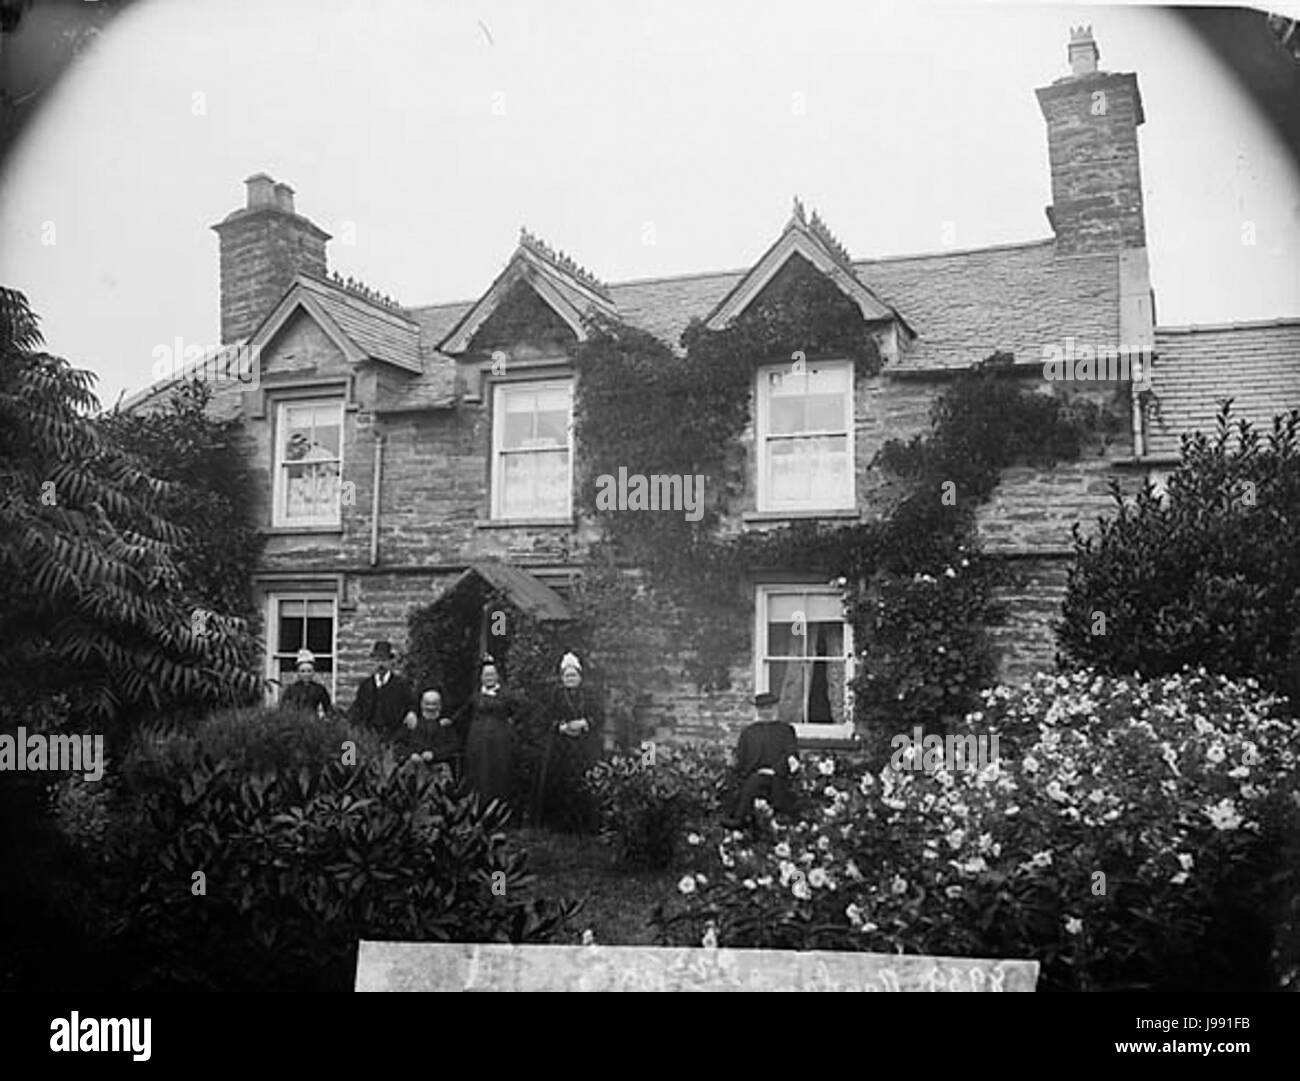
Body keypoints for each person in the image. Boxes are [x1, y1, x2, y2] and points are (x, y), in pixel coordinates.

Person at [530, 651, 604, 832]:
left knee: (586, 781)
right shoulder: (554, 696)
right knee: (560, 782)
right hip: (560, 747)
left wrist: (584, 722)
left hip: (584, 746)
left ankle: (585, 825)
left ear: (580, 677)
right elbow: (544, 719)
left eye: (574, 675)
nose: (570, 679)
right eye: (567, 675)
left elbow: (599, 716)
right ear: (562, 678)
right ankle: (560, 825)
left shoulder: (590, 695)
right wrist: (561, 727)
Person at [453, 656, 522, 817]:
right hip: (477, 741)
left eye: (492, 675)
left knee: (499, 772)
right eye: (486, 675)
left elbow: (521, 710)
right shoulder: (476, 696)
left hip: (499, 740)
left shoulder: (506, 695)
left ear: (497, 676)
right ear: (481, 678)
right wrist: (448, 721)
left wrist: (512, 724)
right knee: (478, 772)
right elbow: (463, 713)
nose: (489, 678)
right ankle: (477, 812)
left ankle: (499, 813)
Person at [726, 692, 799, 828]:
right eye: (762, 708)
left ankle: (739, 818)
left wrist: (775, 770)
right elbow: (742, 757)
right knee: (752, 780)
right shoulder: (749, 732)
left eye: (769, 707)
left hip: (777, 775)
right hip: (753, 774)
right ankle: (737, 818)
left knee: (764, 781)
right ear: (758, 710)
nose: (766, 711)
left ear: (775, 708)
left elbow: (791, 753)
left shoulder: (785, 730)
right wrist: (735, 768)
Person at [348, 640, 417, 735]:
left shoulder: (401, 685)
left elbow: (412, 704)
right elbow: (358, 708)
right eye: (377, 660)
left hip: (394, 736)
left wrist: (412, 713)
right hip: (370, 737)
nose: (380, 664)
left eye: (384, 660)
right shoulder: (365, 686)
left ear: (390, 662)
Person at [397, 688, 463, 783]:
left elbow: (455, 746)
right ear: (421, 704)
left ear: (440, 706)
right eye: (427, 704)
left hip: (437, 771)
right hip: (412, 769)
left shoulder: (446, 725)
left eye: (434, 704)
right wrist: (411, 754)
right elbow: (398, 744)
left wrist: (435, 754)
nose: (430, 707)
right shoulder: (412, 723)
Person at [279, 648, 332, 719]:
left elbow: (328, 709)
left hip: (313, 721)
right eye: (303, 671)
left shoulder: (319, 689)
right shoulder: (291, 689)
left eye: (309, 671)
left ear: (313, 672)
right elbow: (284, 708)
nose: (306, 674)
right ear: (298, 672)